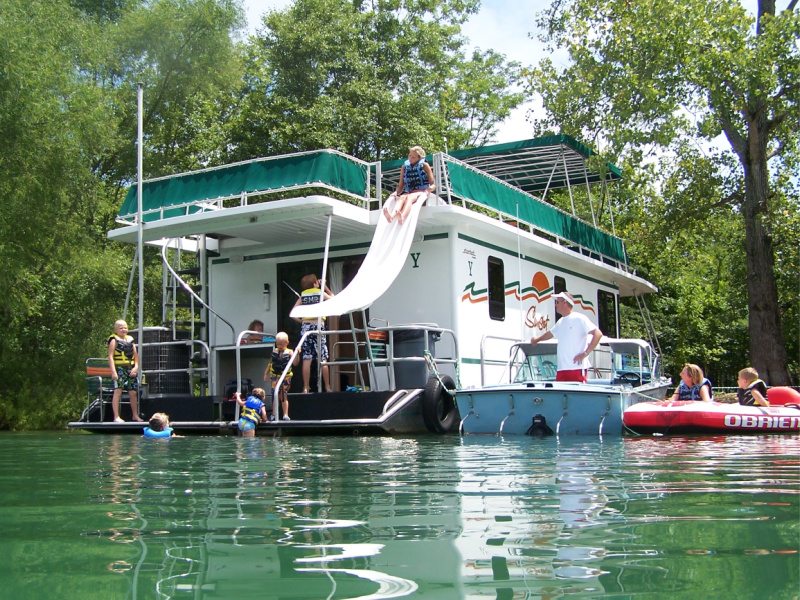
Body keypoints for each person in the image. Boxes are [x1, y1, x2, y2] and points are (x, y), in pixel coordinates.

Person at [529, 292, 603, 382]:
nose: (555, 305)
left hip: (577, 368)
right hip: (562, 369)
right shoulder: (560, 322)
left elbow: (598, 334)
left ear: (564, 302)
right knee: (560, 395)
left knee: (577, 395)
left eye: (557, 302)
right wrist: (537, 340)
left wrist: (585, 353)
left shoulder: (580, 318)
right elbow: (550, 333)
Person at [292, 274, 334, 393]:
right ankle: (327, 386)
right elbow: (333, 298)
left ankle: (305, 387)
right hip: (318, 326)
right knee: (323, 358)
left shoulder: (302, 296)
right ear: (315, 283)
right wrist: (325, 287)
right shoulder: (320, 293)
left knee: (307, 358)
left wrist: (303, 321)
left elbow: (293, 313)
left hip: (306, 328)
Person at [383, 145, 436, 225]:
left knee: (409, 197)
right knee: (402, 197)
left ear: (419, 158)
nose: (410, 158)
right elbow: (401, 186)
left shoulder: (425, 165)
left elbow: (433, 185)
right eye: (409, 156)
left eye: (413, 157)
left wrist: (427, 190)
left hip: (421, 192)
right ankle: (391, 216)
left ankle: (402, 217)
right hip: (410, 191)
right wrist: (396, 193)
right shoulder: (404, 167)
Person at [108, 319, 143, 423]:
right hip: (119, 368)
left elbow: (136, 356)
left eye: (125, 327)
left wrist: (136, 367)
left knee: (133, 392)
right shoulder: (114, 340)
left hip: (130, 369)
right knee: (118, 391)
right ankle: (116, 417)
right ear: (115, 330)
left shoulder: (130, 340)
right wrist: (113, 372)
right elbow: (110, 356)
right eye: (121, 328)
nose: (124, 329)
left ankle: (135, 415)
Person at [264, 332, 300, 420]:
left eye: (281, 344)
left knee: (283, 396)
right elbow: (270, 363)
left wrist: (297, 353)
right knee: (275, 396)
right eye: (278, 344)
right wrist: (265, 374)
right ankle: (273, 414)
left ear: (287, 343)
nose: (279, 346)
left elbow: (295, 363)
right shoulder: (275, 352)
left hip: (285, 378)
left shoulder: (290, 352)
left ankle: (285, 414)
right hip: (274, 377)